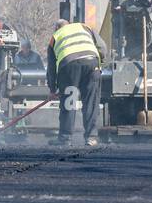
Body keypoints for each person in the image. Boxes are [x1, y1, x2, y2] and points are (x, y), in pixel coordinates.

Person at [46, 18, 109, 146]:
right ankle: (91, 137)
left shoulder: (55, 37)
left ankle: (65, 138)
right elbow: (102, 47)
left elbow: (51, 68)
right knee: (91, 102)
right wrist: (100, 62)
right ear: (69, 25)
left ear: (57, 29)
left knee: (69, 102)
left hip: (69, 66)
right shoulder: (84, 27)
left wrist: (52, 89)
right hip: (91, 63)